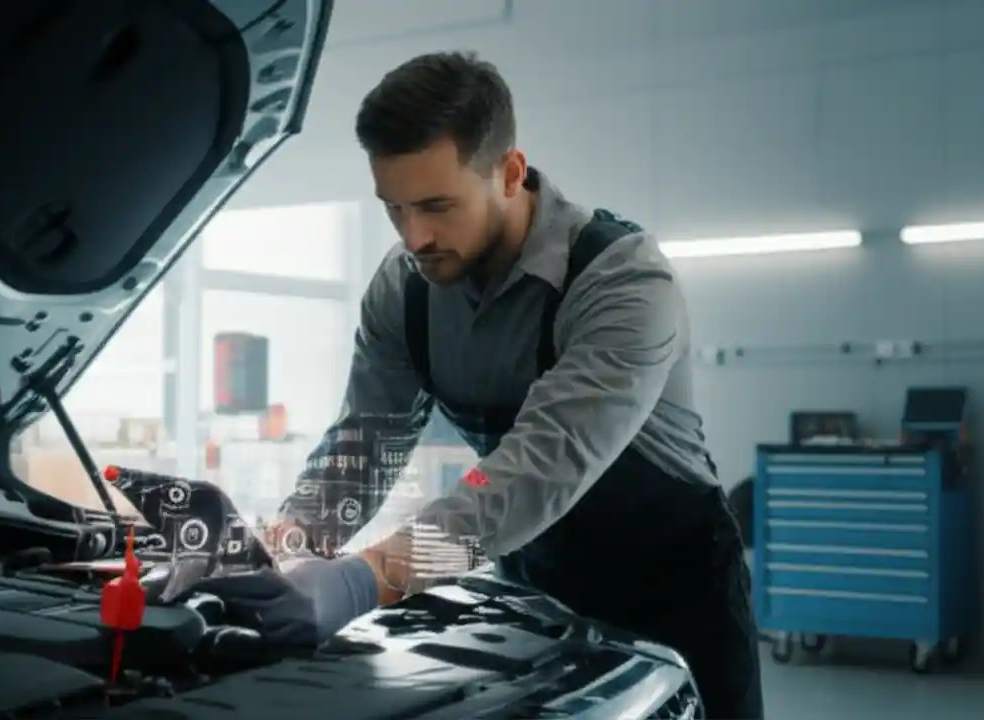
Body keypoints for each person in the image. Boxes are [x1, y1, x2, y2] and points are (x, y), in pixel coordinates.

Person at [263, 51, 763, 718]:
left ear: (511, 172)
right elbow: (364, 442)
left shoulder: (622, 282)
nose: (415, 236)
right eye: (395, 208)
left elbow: (534, 473)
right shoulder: (404, 287)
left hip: (673, 586)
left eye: (438, 206)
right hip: (530, 579)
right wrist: (291, 545)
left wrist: (370, 576)